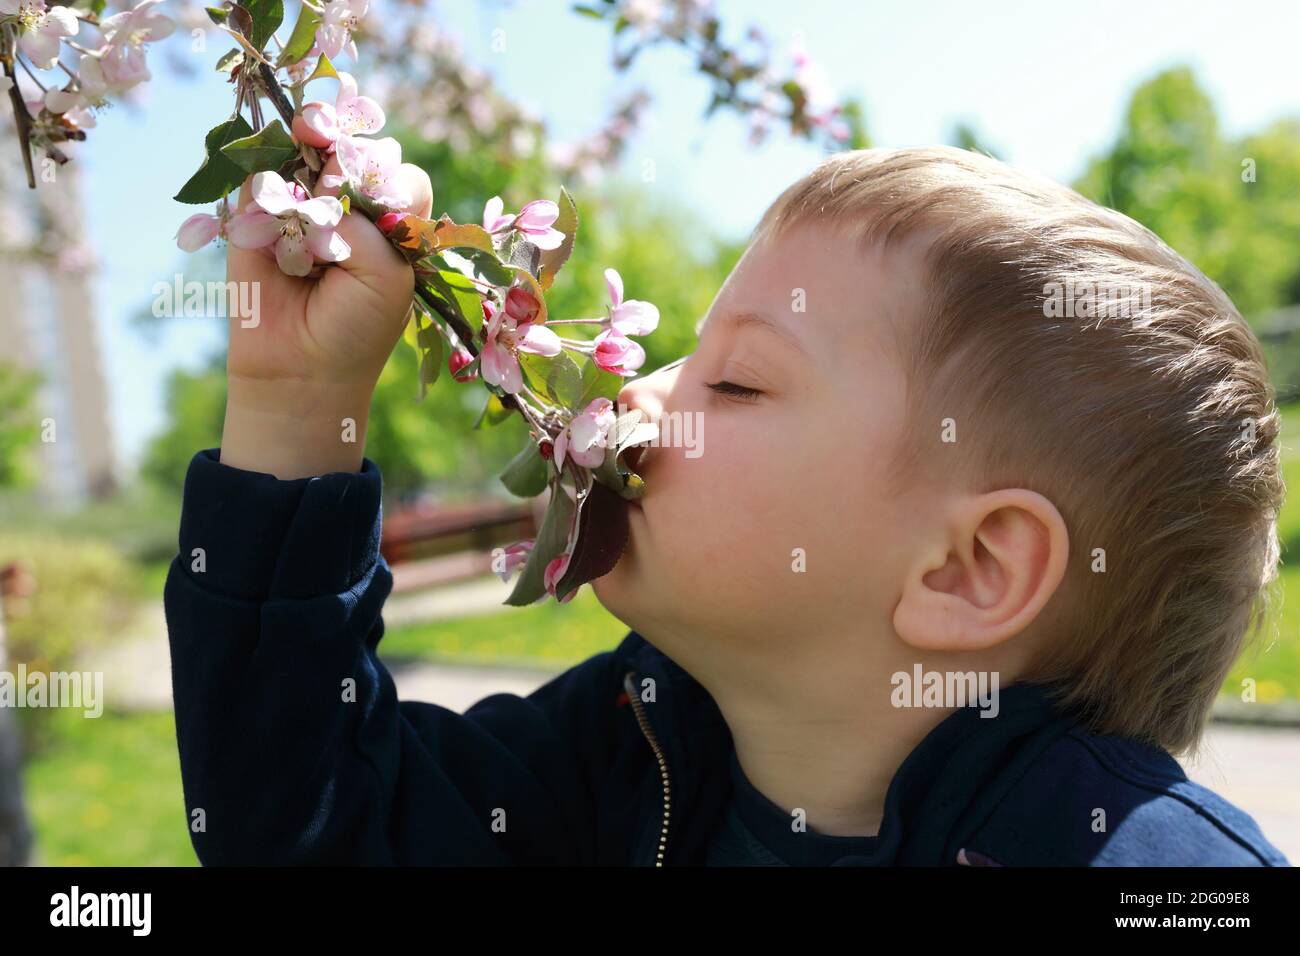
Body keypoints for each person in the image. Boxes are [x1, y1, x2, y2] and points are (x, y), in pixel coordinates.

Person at [164, 146, 1289, 865]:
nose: (635, 394)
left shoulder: (1139, 864)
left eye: (737, 380)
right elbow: (303, 826)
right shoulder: (624, 748)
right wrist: (295, 405)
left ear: (966, 570)